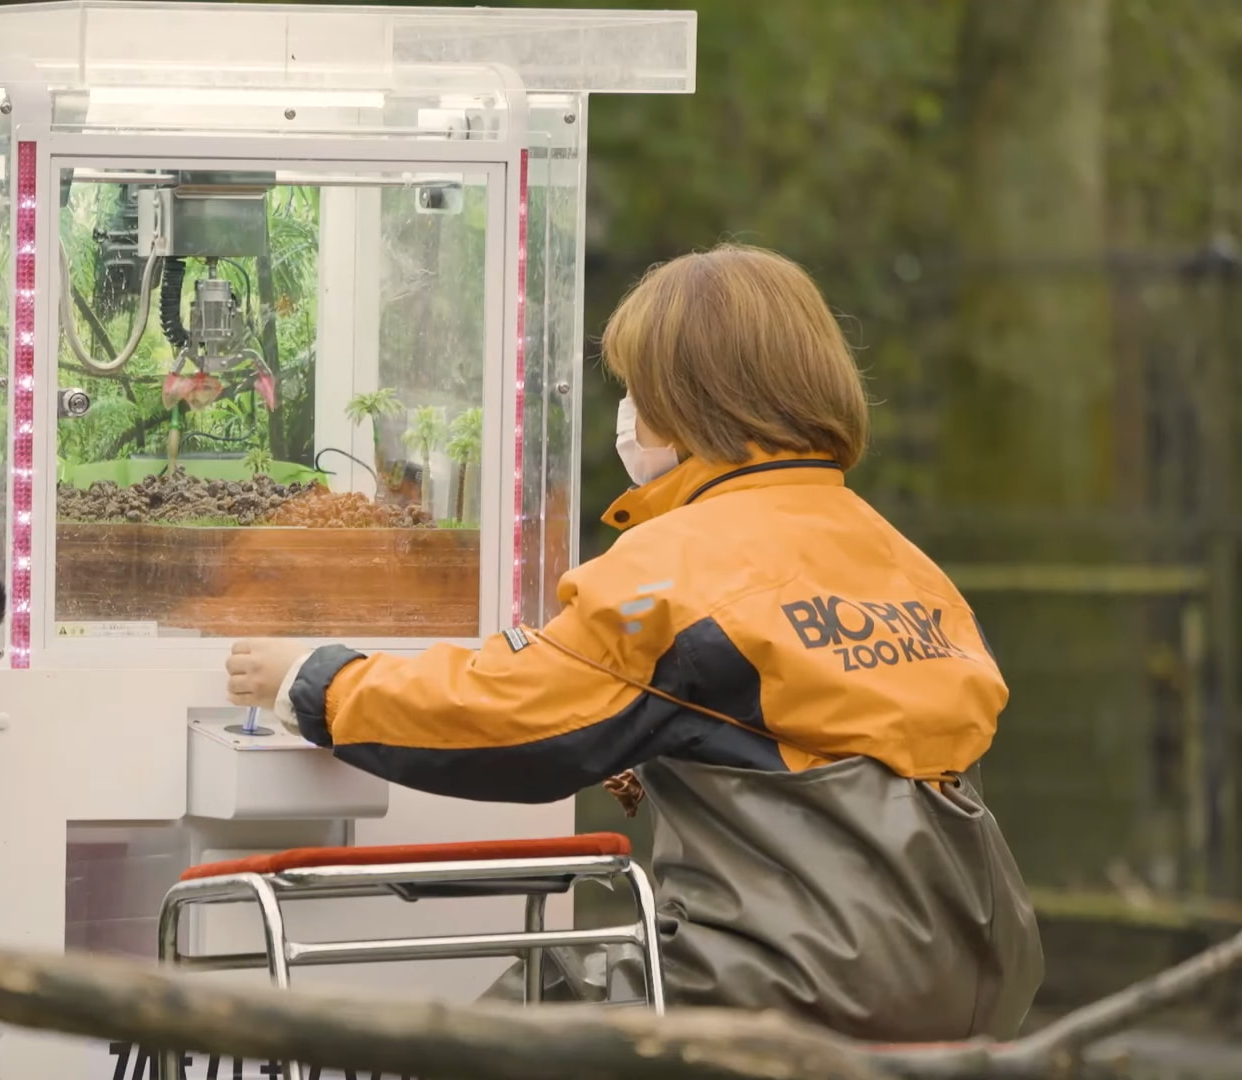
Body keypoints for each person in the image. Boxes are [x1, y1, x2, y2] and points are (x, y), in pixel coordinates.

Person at [224, 242, 1044, 1044]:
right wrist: (664, 745)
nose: (627, 413)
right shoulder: (902, 560)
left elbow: (510, 718)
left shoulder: (676, 566)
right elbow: (831, 742)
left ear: (687, 403)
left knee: (495, 1035)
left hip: (793, 976)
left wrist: (316, 682)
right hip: (973, 973)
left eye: (635, 388)